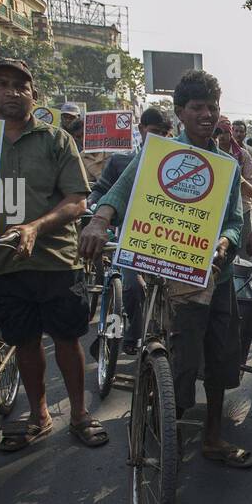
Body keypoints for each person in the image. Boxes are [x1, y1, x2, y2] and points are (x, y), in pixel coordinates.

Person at [82, 70, 251, 465]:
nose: (207, 115)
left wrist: (224, 243)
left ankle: (212, 437)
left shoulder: (228, 164)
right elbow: (120, 192)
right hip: (168, 274)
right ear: (180, 112)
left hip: (216, 276)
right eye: (198, 108)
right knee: (181, 359)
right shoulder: (156, 154)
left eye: (213, 107)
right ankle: (169, 424)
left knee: (220, 361)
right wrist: (98, 220)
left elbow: (235, 220)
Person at [0, 57, 105, 453]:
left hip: (55, 258)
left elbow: (77, 202)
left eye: (21, 85)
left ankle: (80, 414)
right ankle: (39, 415)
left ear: (34, 94)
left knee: (67, 339)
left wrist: (35, 227)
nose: (12, 92)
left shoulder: (56, 140)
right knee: (24, 342)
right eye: (2, 84)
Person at [84, 107, 172, 356]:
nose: (160, 138)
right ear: (142, 130)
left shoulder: (175, 162)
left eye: (165, 133)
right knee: (132, 288)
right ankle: (133, 332)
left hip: (169, 239)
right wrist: (93, 211)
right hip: (131, 238)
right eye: (155, 132)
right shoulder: (120, 161)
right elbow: (102, 190)